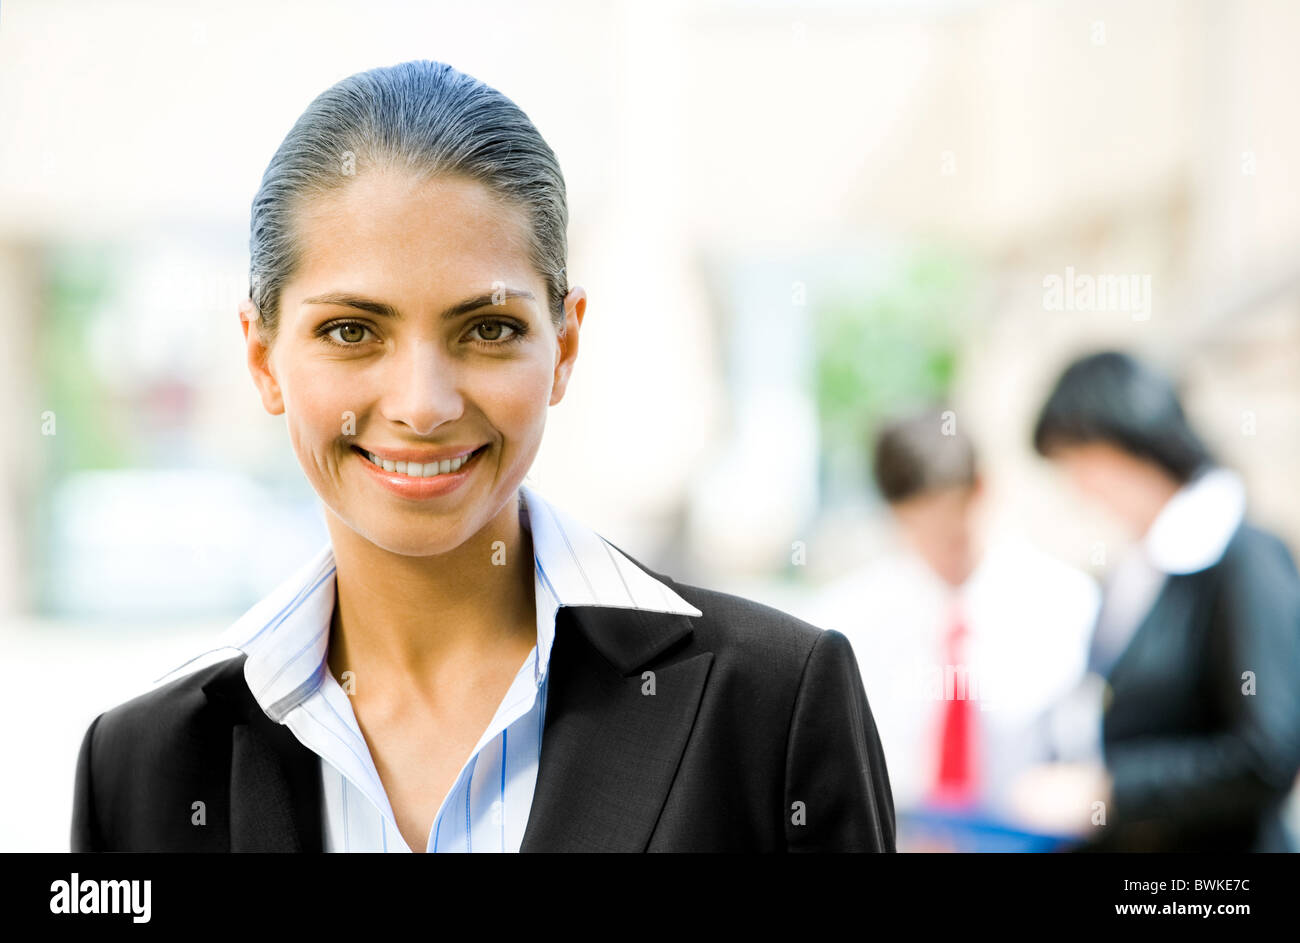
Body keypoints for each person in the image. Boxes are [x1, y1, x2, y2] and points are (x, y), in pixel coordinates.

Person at [69, 60, 895, 853]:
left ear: (564, 345)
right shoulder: (145, 767)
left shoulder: (771, 705)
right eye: (352, 330)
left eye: (489, 329)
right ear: (261, 357)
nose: (423, 404)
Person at [1019, 350, 1300, 852]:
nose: (1079, 489)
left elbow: (1268, 753)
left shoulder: (1242, 559)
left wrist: (1110, 789)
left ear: (1129, 443)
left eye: (1081, 463)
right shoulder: (1139, 569)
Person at [804, 409, 1097, 847]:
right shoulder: (843, 622)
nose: (942, 548)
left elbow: (1087, 758)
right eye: (921, 528)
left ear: (981, 489)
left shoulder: (1067, 605)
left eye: (953, 526)